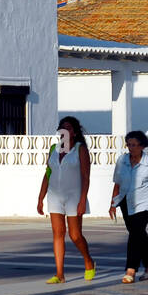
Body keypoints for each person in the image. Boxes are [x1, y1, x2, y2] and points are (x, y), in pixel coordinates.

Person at [36, 116, 96, 284]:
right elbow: (48, 174)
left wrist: (83, 199)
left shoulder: (80, 149)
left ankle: (88, 261)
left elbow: (86, 176)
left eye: (68, 128)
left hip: (74, 196)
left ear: (75, 132)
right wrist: (41, 197)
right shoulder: (54, 149)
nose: (65, 131)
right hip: (54, 196)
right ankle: (60, 274)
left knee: (75, 235)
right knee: (58, 233)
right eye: (62, 128)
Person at [109, 130, 148, 284]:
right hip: (125, 202)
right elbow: (117, 182)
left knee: (135, 235)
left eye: (134, 145)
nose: (131, 148)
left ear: (142, 146)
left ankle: (131, 269)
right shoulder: (122, 160)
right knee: (138, 235)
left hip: (144, 204)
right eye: (129, 144)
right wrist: (112, 203)